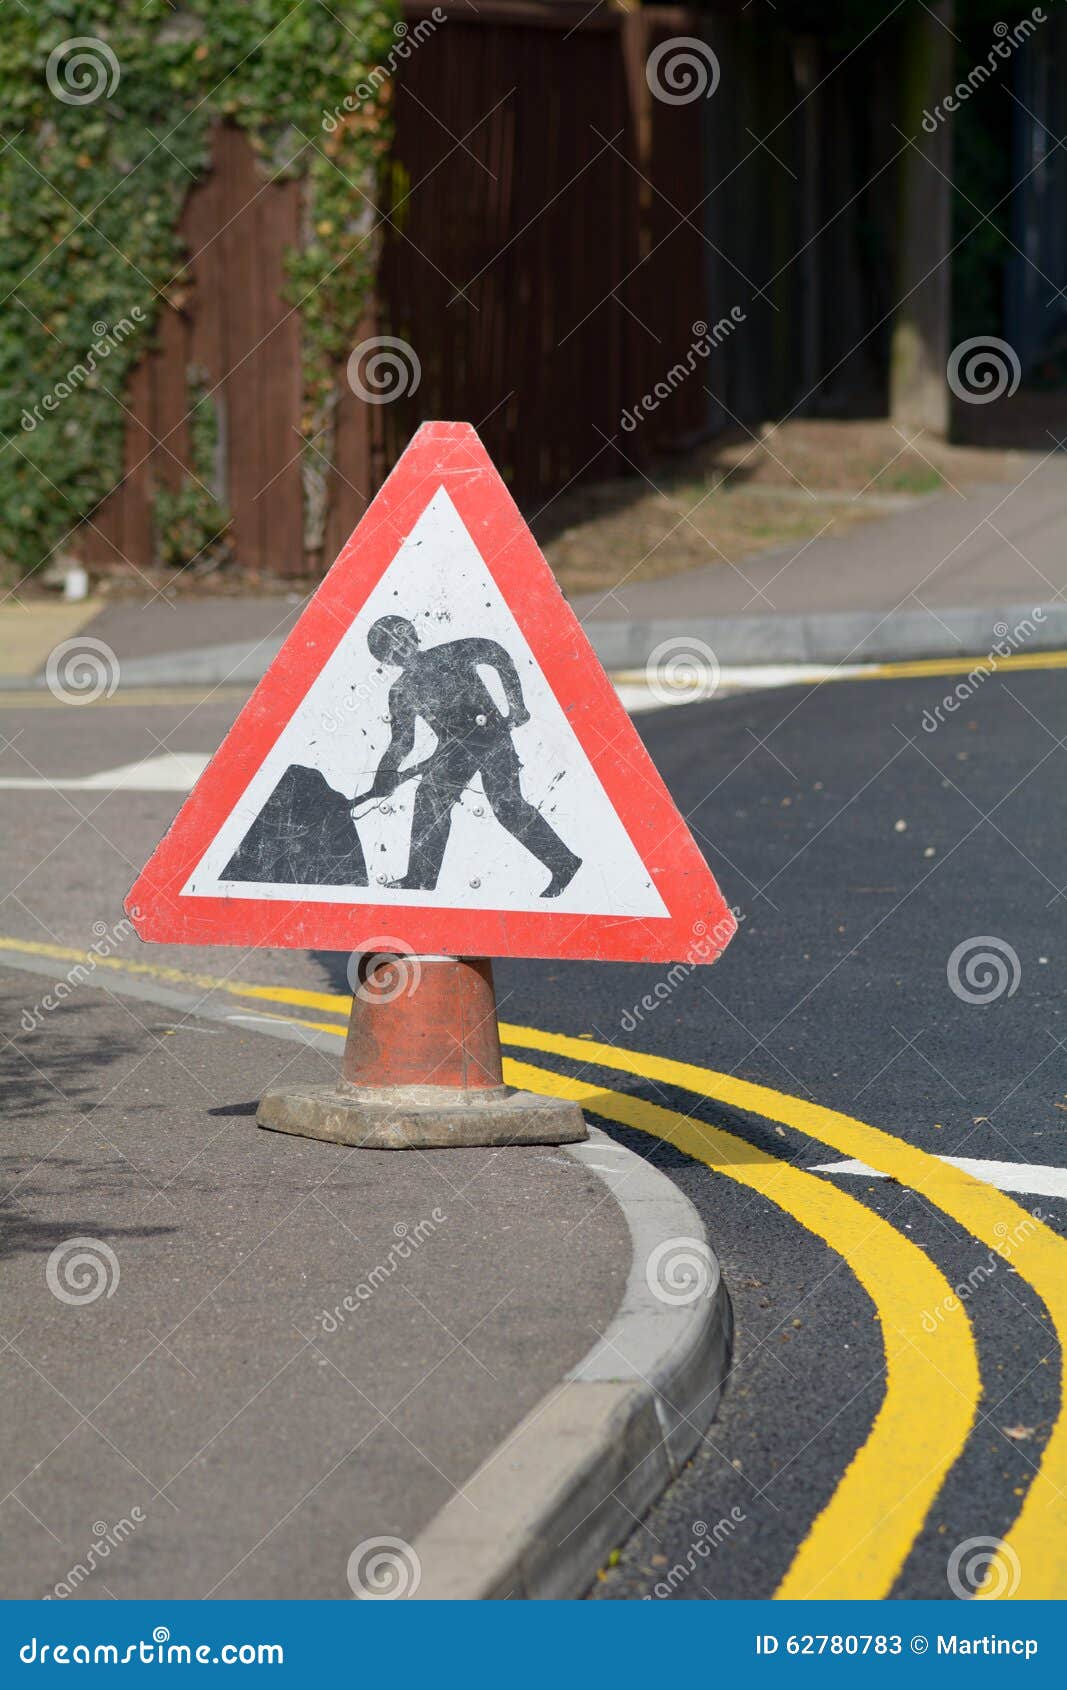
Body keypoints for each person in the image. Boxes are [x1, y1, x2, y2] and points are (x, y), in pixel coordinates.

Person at [356, 615, 581, 897]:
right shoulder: (401, 691)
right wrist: (385, 776)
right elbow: (402, 741)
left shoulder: (451, 653)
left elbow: (496, 654)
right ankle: (420, 880)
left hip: (491, 736)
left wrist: (516, 705)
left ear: (414, 635)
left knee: (507, 806)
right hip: (452, 750)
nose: (402, 652)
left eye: (403, 641)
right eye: (392, 651)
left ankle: (565, 864)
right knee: (429, 797)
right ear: (386, 661)